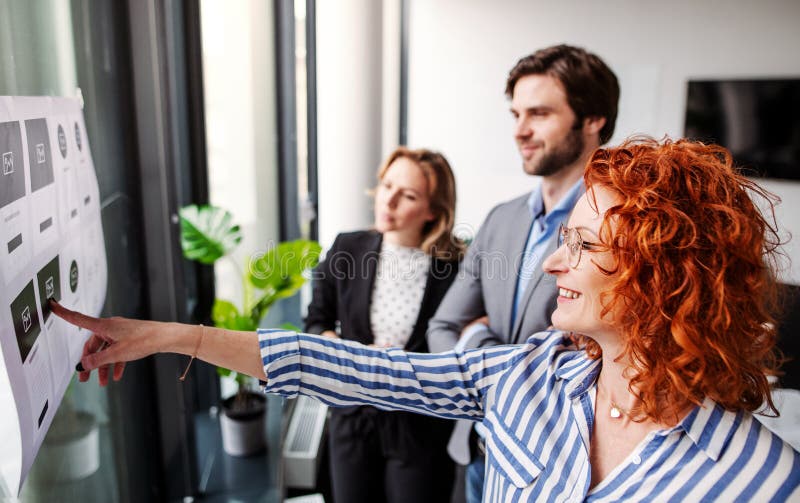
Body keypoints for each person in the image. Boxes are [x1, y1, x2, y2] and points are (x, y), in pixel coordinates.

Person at [55, 138, 800, 501]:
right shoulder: (529, 371)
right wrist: (170, 335)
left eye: (584, 244)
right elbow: (359, 365)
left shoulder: (763, 480)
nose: (550, 264)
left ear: (666, 278)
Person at [425, 44, 619, 501]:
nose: (520, 130)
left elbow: (604, 360)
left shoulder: (619, 227)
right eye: (515, 114)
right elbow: (443, 326)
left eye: (539, 114)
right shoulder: (500, 219)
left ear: (593, 121)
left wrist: (476, 342)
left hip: (558, 468)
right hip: (479, 450)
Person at [303, 146, 465, 502]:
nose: (387, 201)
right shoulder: (348, 247)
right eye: (387, 186)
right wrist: (349, 351)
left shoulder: (455, 268)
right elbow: (316, 321)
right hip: (353, 415)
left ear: (433, 210)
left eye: (407, 195)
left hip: (419, 425)